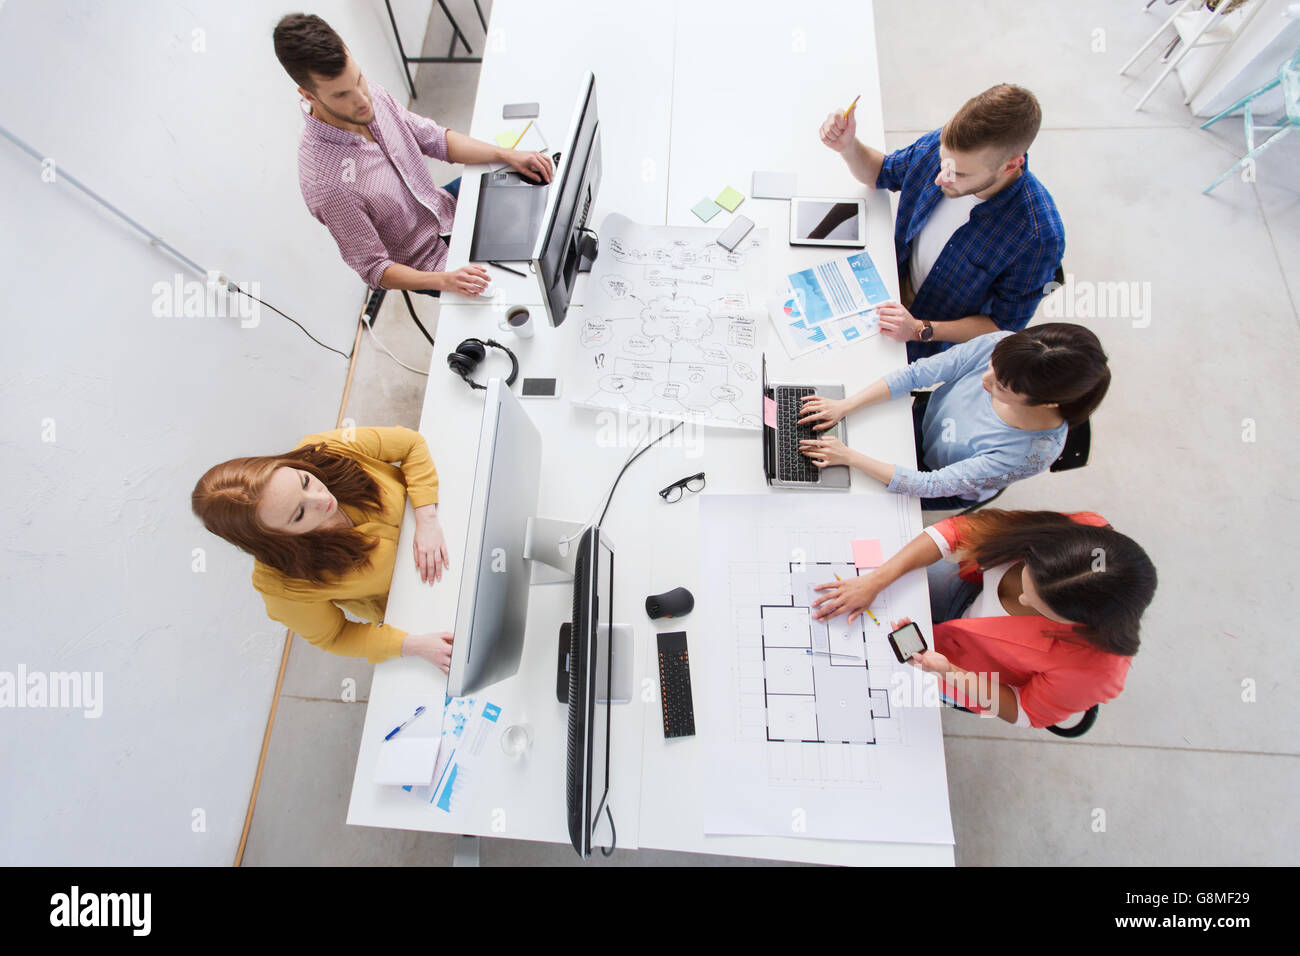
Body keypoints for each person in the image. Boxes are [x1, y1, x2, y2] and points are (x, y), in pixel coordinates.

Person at [273, 13, 554, 297]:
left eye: (359, 79)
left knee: (545, 185)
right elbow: (376, 269)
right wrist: (446, 281)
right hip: (433, 266)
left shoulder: (372, 96)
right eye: (342, 95)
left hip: (444, 206)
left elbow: (432, 138)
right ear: (308, 95)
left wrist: (506, 155)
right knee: (525, 292)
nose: (361, 99)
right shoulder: (328, 184)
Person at [811, 510, 1157, 728]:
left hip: (965, 670)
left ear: (1080, 622)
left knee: (857, 691)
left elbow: (1024, 711)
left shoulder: (1095, 670)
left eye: (1036, 606)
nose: (1020, 600)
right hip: (963, 591)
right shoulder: (1083, 534)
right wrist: (876, 580)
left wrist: (949, 672)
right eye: (1025, 579)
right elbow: (957, 532)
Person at [820, 84, 1064, 360]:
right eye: (943, 163)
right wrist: (849, 146)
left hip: (928, 337)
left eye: (959, 174)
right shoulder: (945, 147)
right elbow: (882, 172)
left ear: (1010, 166)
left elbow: (1002, 328)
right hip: (885, 286)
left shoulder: (1037, 236)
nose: (940, 178)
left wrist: (919, 329)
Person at [192, 426, 455, 671]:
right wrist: (413, 645)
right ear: (276, 538)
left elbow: (410, 444)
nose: (321, 499)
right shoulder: (281, 587)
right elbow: (336, 635)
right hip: (428, 595)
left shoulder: (324, 448)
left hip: (449, 516)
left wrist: (426, 518)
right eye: (299, 514)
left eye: (305, 481)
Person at [797, 323, 1109, 510]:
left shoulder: (1027, 454)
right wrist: (844, 405)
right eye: (991, 367)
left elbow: (928, 485)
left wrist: (850, 457)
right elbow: (919, 373)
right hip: (923, 422)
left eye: (1000, 386)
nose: (985, 379)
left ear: (1047, 403)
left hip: (935, 477)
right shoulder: (1001, 346)